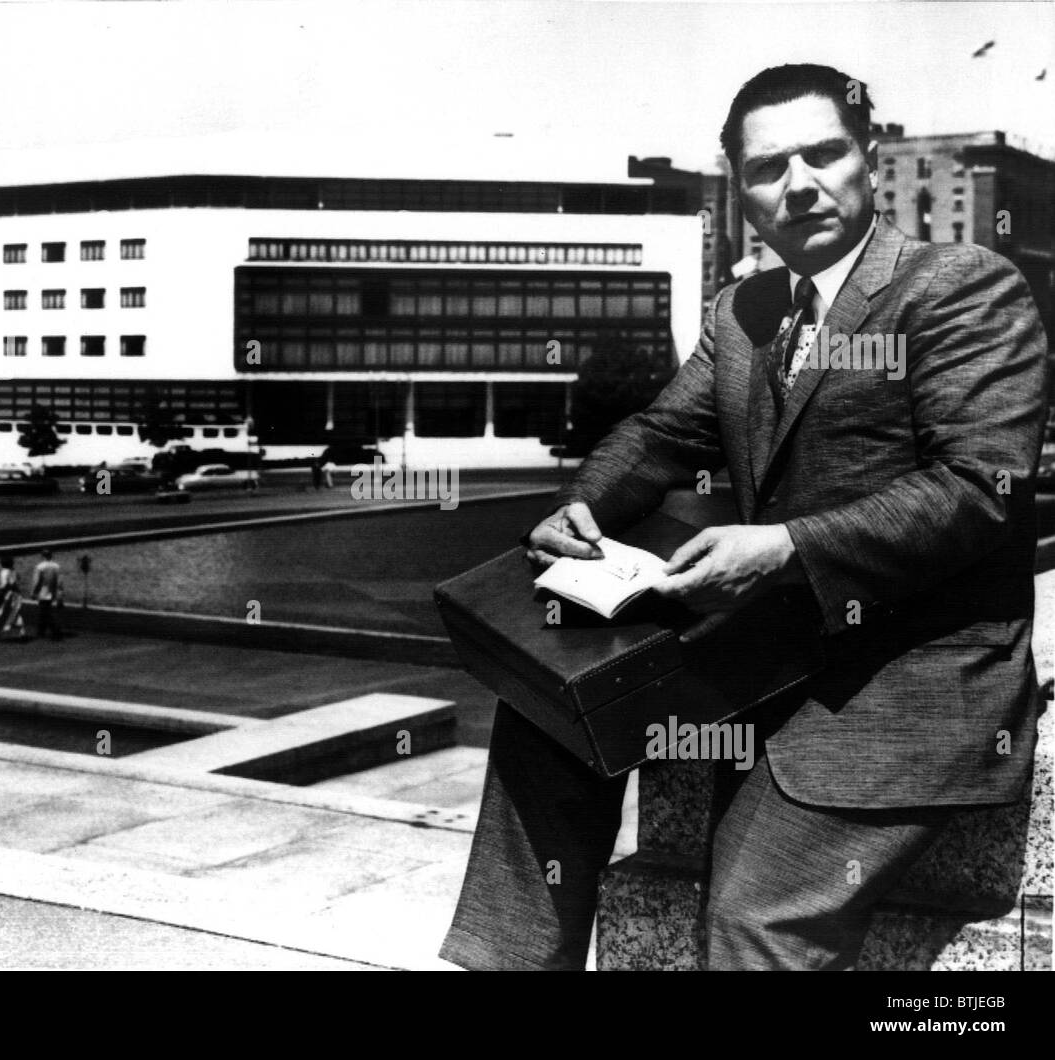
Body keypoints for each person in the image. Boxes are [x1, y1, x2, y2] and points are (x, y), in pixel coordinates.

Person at [441, 63, 1049, 971]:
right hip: (767, 648)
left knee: (752, 918)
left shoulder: (961, 286)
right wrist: (580, 504)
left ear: (869, 159)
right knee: (544, 700)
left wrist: (786, 546)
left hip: (907, 674)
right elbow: (657, 436)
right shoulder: (744, 311)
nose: (799, 186)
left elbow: (979, 488)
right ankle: (508, 963)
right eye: (769, 169)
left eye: (824, 154)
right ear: (741, 189)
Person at [0, 554, 26, 641]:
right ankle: (22, 631)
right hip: (16, 594)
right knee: (15, 612)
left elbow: (5, 584)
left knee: (0, 612)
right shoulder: (13, 571)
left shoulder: (4, 572)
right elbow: (18, 580)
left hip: (7, 595)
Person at [31, 548, 64, 640]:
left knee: (44, 612)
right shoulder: (56, 566)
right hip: (52, 591)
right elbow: (60, 581)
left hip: (43, 592)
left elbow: (37, 581)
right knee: (45, 611)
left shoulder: (40, 567)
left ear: (42, 556)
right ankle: (43, 631)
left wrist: (34, 592)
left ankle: (50, 630)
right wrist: (60, 593)